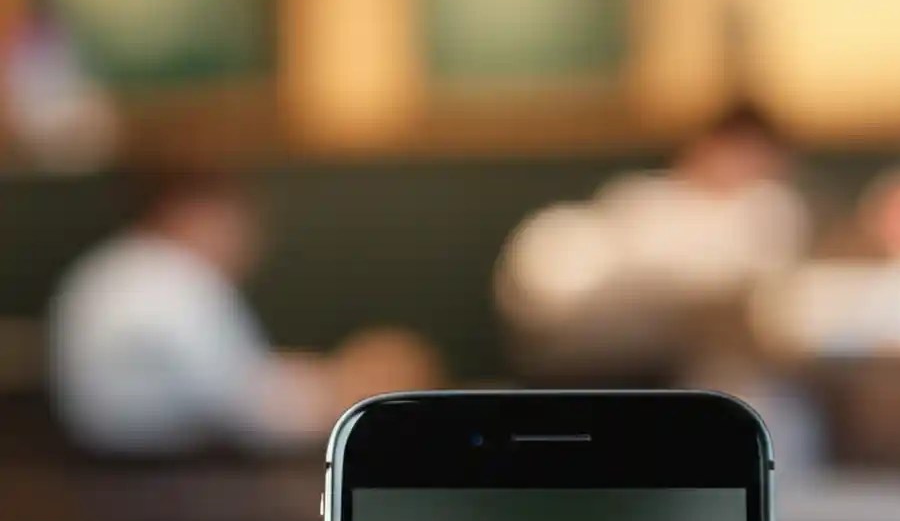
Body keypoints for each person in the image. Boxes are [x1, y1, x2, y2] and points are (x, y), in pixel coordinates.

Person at [50, 166, 436, 455]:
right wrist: (356, 386)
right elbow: (255, 408)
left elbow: (237, 382)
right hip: (144, 487)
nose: (251, 241)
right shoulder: (167, 280)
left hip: (128, 474)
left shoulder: (123, 266)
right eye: (237, 222)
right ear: (191, 212)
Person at [497, 100, 810, 384]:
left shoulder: (765, 210)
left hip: (705, 370)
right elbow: (550, 290)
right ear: (702, 146)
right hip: (594, 358)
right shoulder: (642, 200)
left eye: (755, 154)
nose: (739, 164)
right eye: (735, 149)